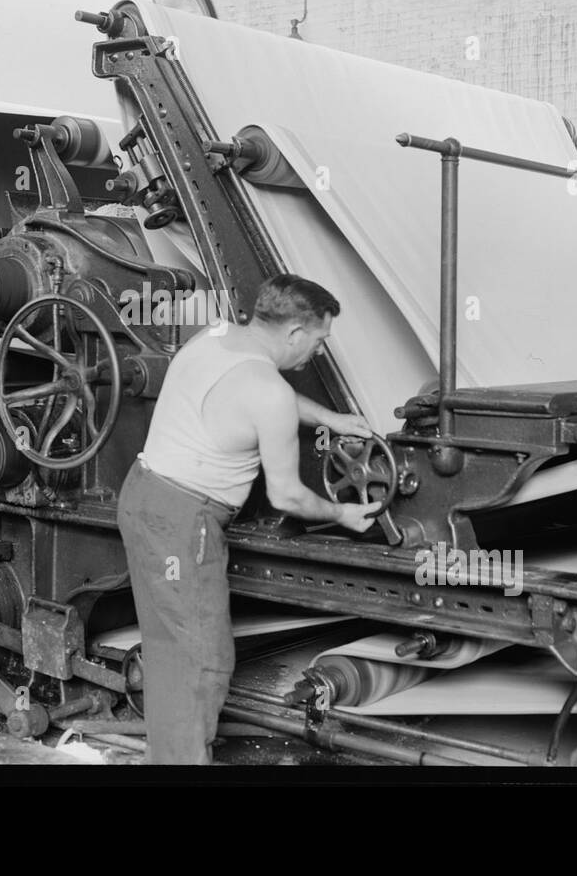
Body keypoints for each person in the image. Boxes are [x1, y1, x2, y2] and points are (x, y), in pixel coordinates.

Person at [115, 273, 381, 764]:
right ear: (296, 334)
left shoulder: (216, 336)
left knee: (169, 647)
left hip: (144, 494)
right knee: (200, 661)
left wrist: (332, 419)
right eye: (320, 340)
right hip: (182, 521)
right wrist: (343, 511)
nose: (318, 353)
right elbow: (288, 496)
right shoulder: (269, 394)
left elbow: (260, 387)